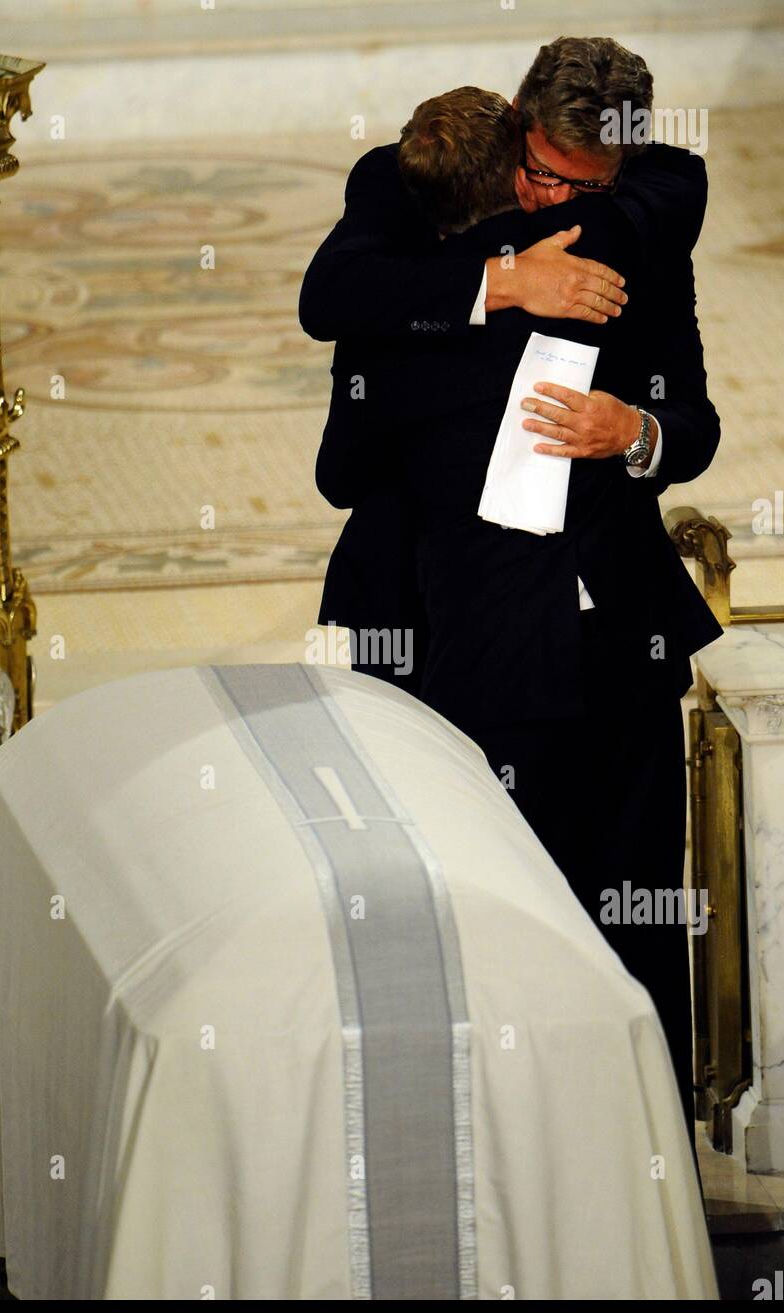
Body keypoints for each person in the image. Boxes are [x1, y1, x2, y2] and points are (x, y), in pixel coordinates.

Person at [298, 41, 723, 1132]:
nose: (551, 203)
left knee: (631, 916)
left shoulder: (646, 216)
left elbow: (696, 427)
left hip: (614, 628)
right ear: (515, 135)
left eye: (584, 188)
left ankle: (646, 1155)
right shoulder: (413, 201)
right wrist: (498, 281)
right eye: (540, 176)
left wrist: (636, 434)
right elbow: (331, 318)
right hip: (441, 637)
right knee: (467, 918)